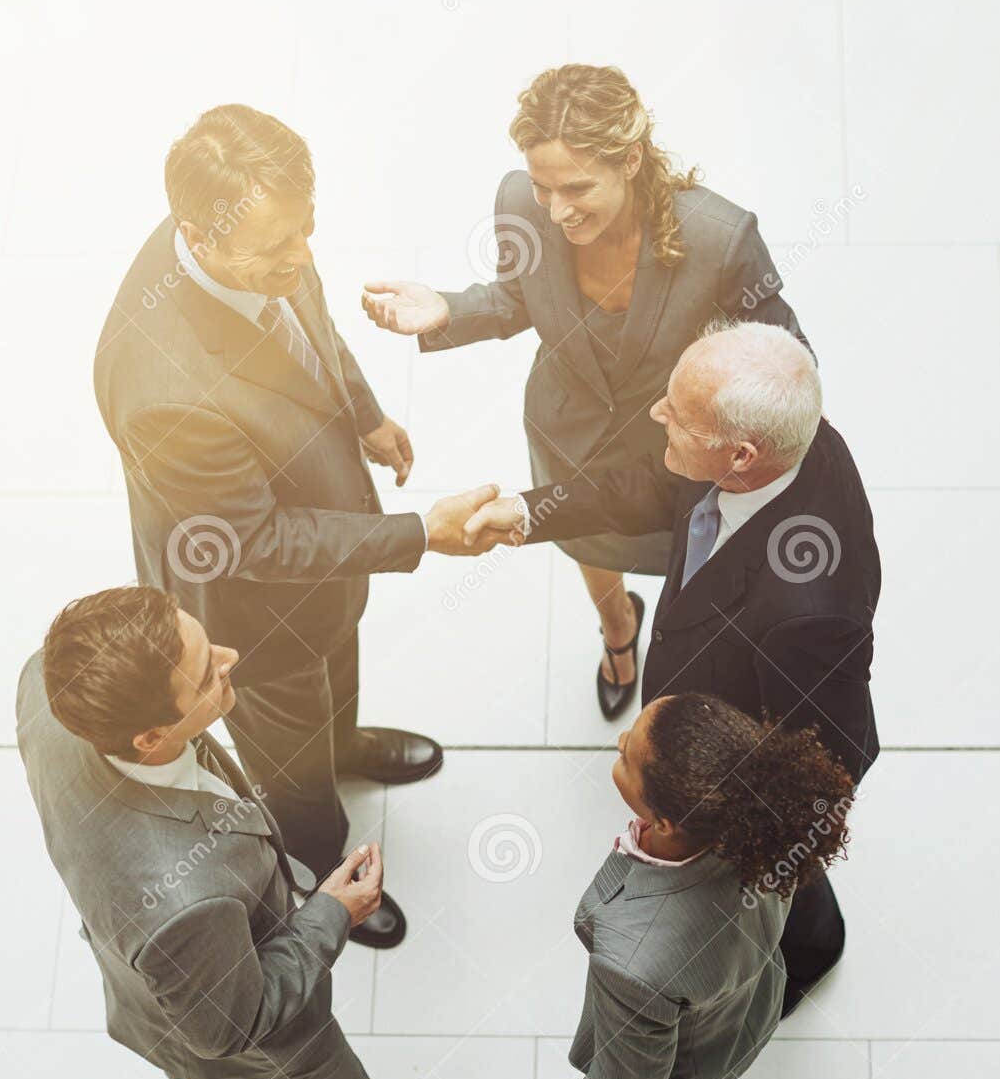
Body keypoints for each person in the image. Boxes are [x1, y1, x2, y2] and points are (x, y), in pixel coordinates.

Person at [94, 103, 500, 949]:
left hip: (322, 556)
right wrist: (423, 532)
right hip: (254, 607)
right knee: (290, 758)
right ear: (199, 239)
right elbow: (257, 544)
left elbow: (312, 330)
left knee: (335, 653)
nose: (305, 256)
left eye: (305, 229)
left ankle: (343, 740)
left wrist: (364, 415)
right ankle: (320, 867)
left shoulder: (258, 248)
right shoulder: (164, 388)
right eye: (280, 246)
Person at [15, 585, 486, 1079]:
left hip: (139, 986)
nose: (231, 659)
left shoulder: (43, 688)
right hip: (229, 1009)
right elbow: (237, 1022)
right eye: (209, 673)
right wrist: (332, 911)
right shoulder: (183, 900)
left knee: (199, 1069)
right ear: (150, 739)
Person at [361, 63, 810, 720]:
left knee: (690, 578)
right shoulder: (522, 204)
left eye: (576, 187)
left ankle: (679, 666)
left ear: (631, 159)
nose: (558, 209)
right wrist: (449, 311)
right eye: (544, 187)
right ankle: (618, 634)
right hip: (568, 436)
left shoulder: (720, 238)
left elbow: (785, 361)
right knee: (587, 546)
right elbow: (521, 297)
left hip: (673, 460)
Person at [463, 319, 879, 1016]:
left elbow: (839, 757)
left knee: (782, 895)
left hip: (736, 774)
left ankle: (806, 947)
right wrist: (530, 511)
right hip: (704, 698)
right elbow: (658, 487)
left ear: (743, 455)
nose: (658, 415)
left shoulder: (812, 610)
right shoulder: (773, 450)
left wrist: (728, 821)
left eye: (676, 416)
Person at [563, 693, 853, 1079]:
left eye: (629, 756)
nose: (621, 741)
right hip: (746, 1005)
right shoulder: (765, 830)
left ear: (667, 819)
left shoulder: (634, 961)